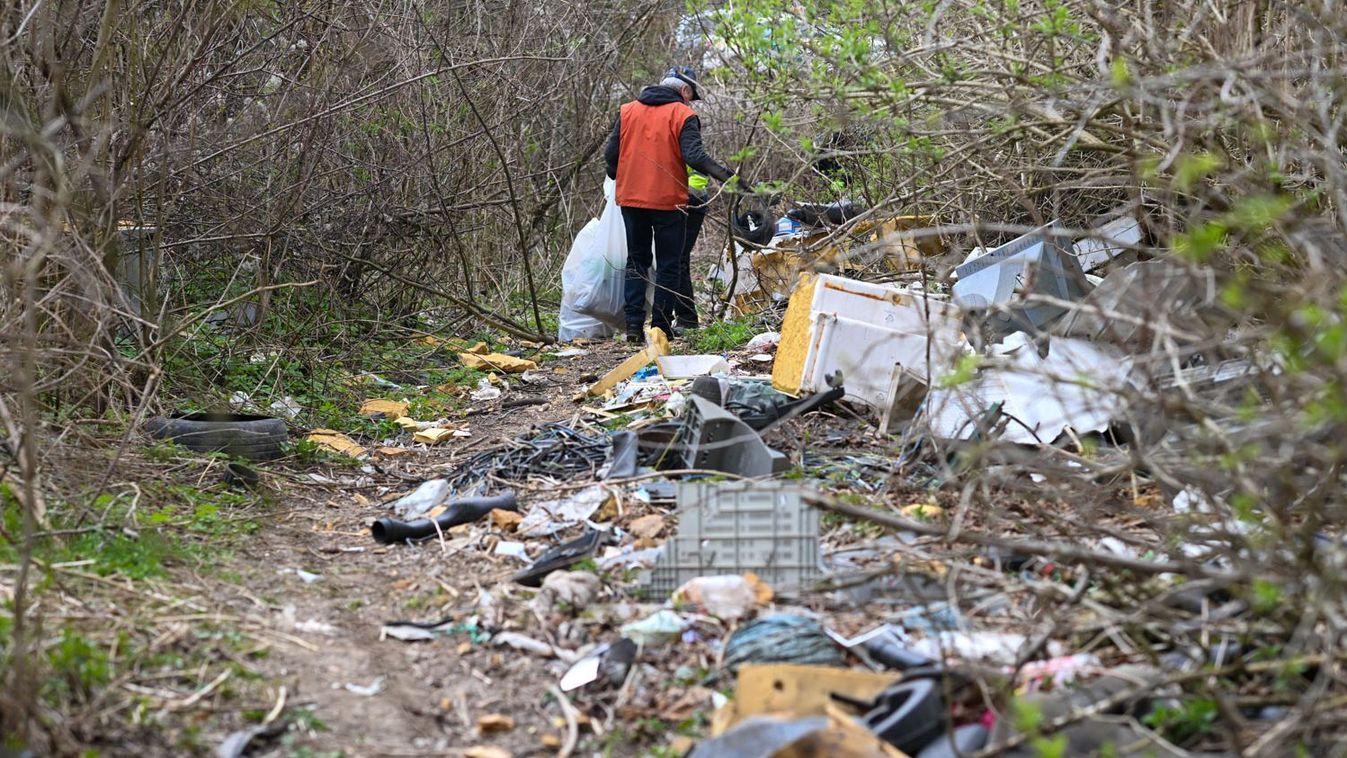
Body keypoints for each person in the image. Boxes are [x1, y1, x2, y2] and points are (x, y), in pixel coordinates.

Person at [604, 66, 735, 342]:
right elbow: (694, 156)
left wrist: (619, 175)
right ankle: (661, 329)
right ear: (684, 91)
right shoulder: (683, 114)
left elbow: (610, 153)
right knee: (668, 264)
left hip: (631, 200)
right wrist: (727, 176)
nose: (690, 102)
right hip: (668, 202)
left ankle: (633, 328)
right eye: (691, 96)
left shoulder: (627, 111)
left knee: (636, 261)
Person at [671, 166, 709, 331]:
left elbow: (698, 163)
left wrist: (689, 194)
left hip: (688, 198)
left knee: (678, 258)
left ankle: (687, 320)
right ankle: (684, 318)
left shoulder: (684, 139)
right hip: (679, 197)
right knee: (676, 259)